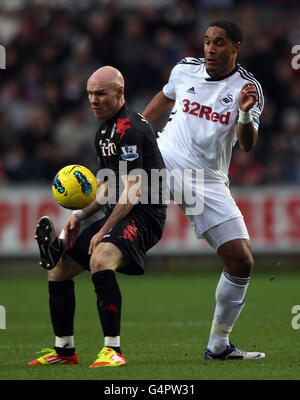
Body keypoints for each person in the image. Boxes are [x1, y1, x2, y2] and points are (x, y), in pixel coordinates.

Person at [142, 20, 265, 360]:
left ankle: (218, 345)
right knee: (116, 203)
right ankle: (67, 238)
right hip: (166, 156)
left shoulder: (247, 88)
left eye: (219, 43)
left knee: (241, 260)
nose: (210, 48)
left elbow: (248, 144)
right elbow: (166, 97)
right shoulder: (184, 69)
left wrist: (243, 115)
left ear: (235, 47)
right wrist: (139, 125)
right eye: (208, 42)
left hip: (207, 180)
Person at [28, 66, 166, 367]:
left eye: (100, 93)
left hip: (145, 216)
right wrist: (80, 214)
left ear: (120, 92)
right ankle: (64, 352)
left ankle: (113, 351)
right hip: (121, 212)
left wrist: (104, 228)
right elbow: (108, 186)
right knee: (60, 266)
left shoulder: (130, 129)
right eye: (90, 93)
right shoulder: (104, 130)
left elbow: (132, 190)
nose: (93, 100)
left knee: (101, 257)